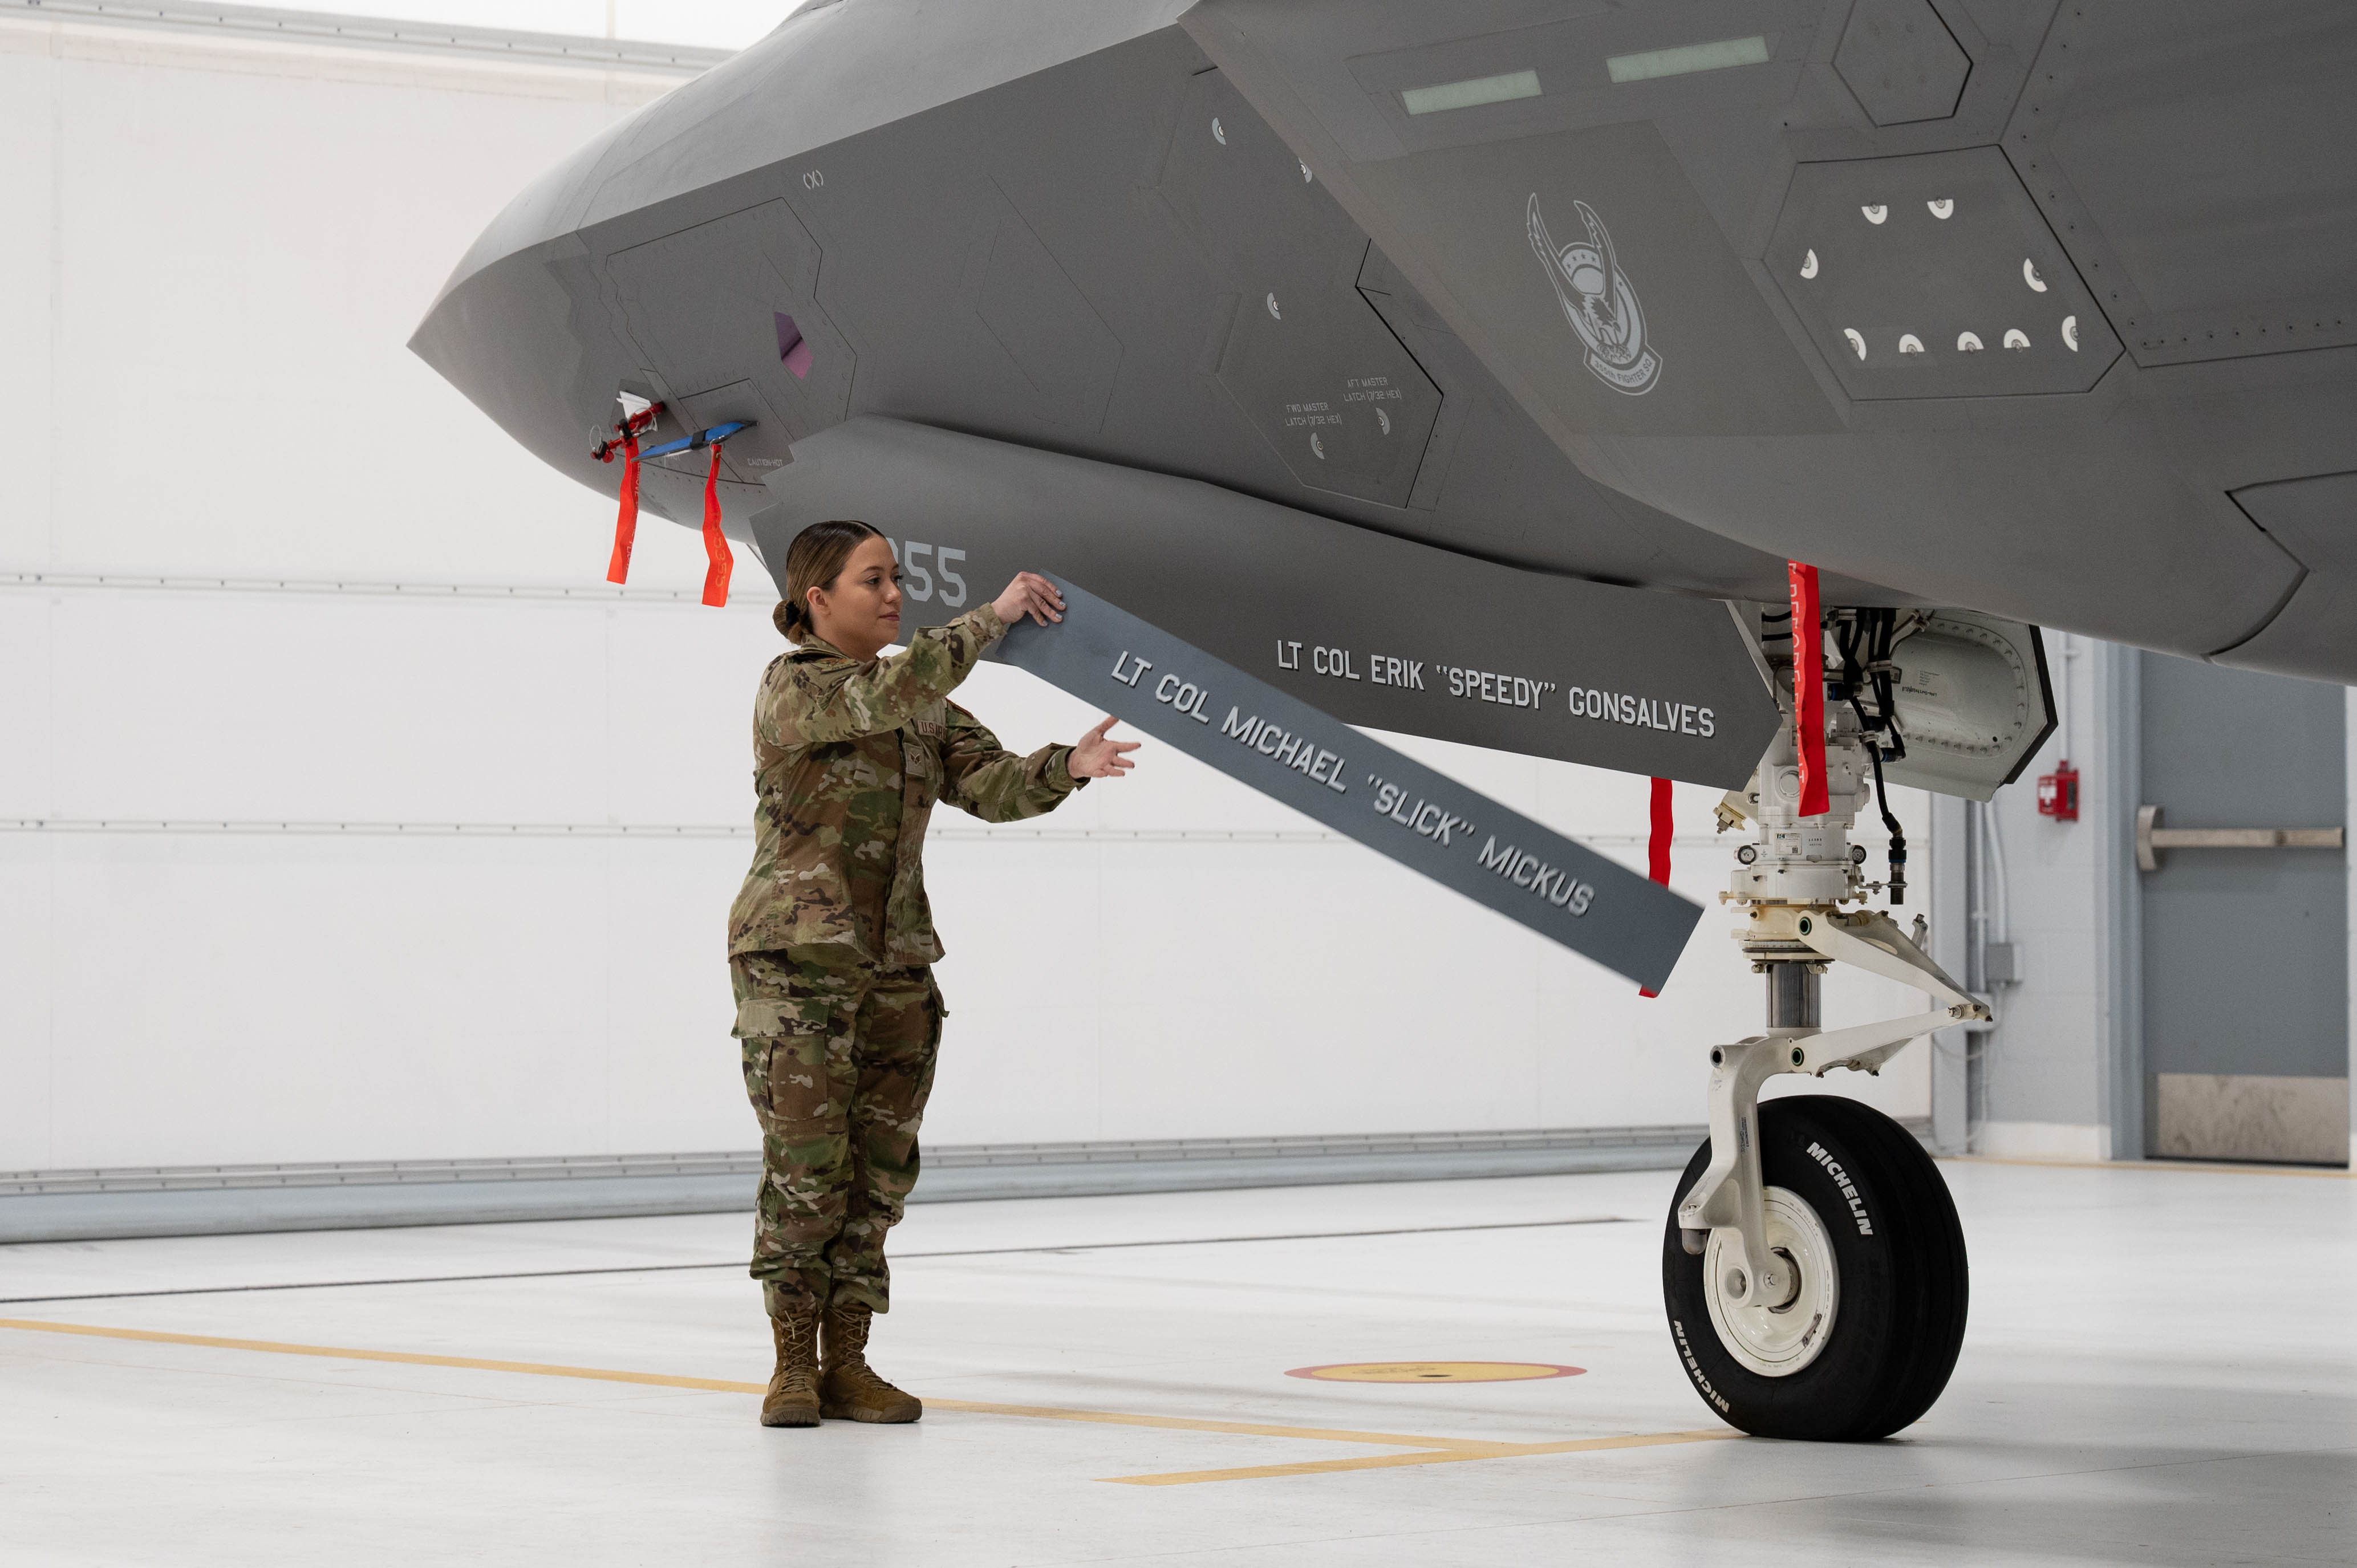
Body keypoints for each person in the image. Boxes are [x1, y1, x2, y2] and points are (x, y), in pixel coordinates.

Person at [727, 519, 1138, 1429]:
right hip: (797, 964)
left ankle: (850, 1362)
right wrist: (991, 617)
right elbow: (893, 685)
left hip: (896, 963)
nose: (894, 594)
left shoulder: (920, 703)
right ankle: (792, 1362)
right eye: (872, 580)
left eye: (897, 578)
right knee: (805, 1168)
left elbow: (987, 782)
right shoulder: (796, 689)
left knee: (878, 1173)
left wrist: (1064, 765)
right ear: (817, 599)